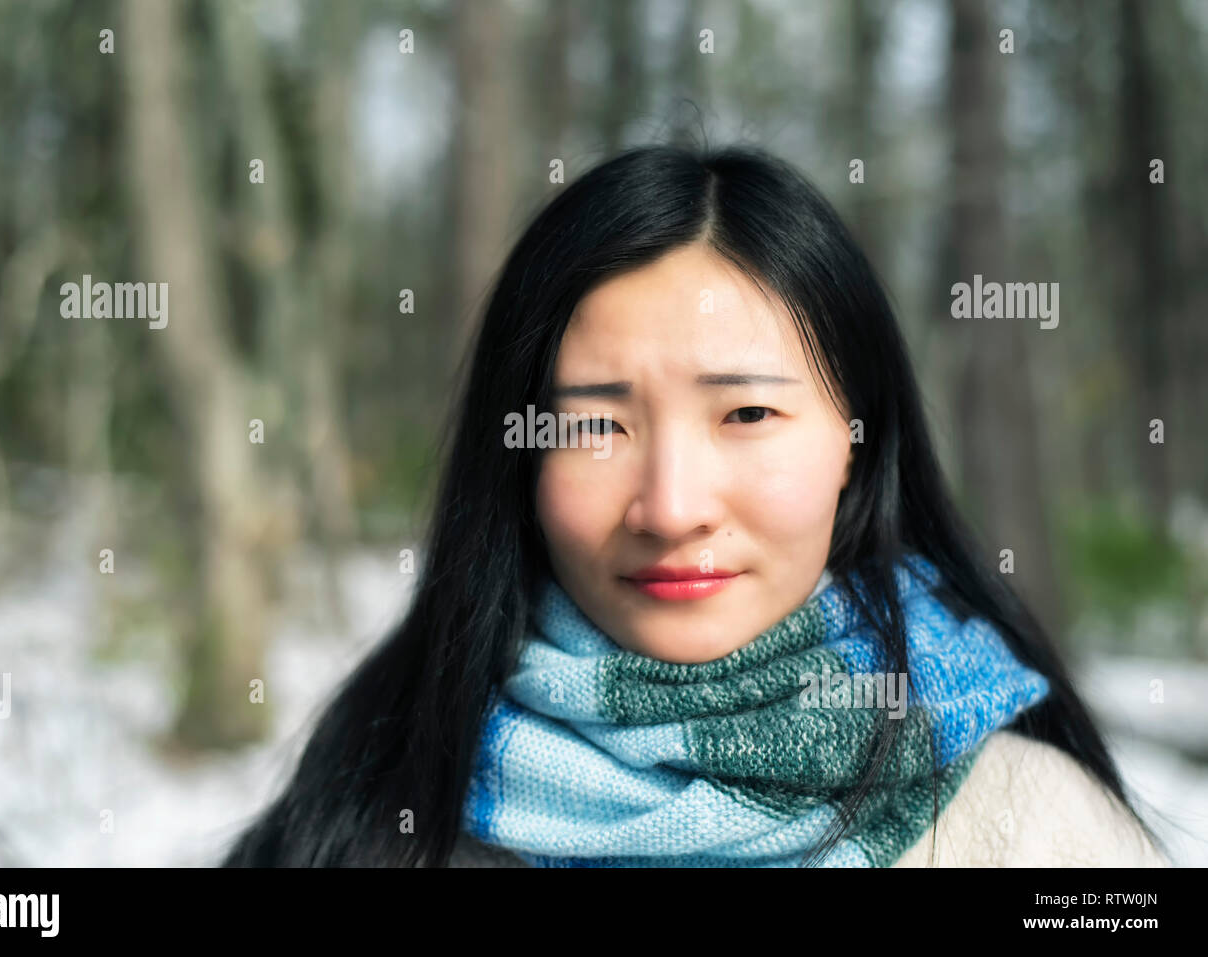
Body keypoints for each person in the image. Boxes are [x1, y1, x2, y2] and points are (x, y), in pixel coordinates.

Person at [221, 144, 1169, 867]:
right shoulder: (375, 818)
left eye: (748, 411)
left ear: (856, 441)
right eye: (596, 427)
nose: (671, 507)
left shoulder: (1033, 833)